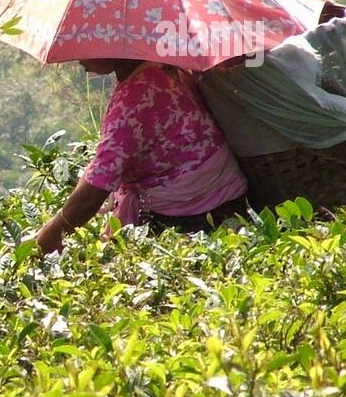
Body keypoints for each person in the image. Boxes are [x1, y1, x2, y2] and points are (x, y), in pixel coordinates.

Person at [36, 59, 248, 254]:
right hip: (228, 198)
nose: (78, 59)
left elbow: (93, 193)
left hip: (196, 217)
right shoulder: (166, 68)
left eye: (86, 49)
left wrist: (46, 239)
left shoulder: (134, 98)